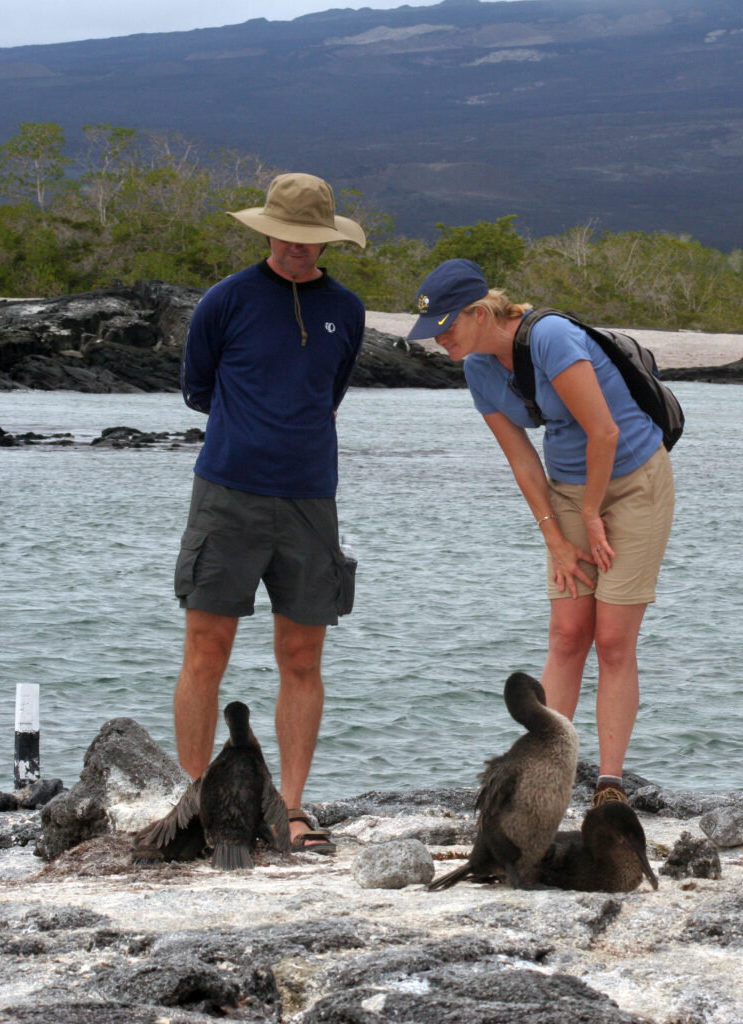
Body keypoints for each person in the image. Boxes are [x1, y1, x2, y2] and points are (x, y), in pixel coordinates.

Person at [407, 258, 674, 807]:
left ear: (480, 313)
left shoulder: (550, 337)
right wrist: (555, 536)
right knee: (568, 632)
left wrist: (595, 511)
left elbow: (604, 431)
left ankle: (610, 785)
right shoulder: (476, 367)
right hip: (570, 488)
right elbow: (523, 461)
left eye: (446, 328)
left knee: (614, 639)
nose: (438, 341)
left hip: (633, 480)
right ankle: (543, 774)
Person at [173, 172, 367, 852]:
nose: (299, 249)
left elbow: (329, 392)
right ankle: (200, 806)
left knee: (303, 656)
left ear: (326, 241)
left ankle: (292, 808)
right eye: (288, 235)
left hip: (312, 499)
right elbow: (198, 388)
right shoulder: (225, 301)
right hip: (227, 492)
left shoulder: (347, 307)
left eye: (312, 239)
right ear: (268, 231)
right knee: (206, 649)